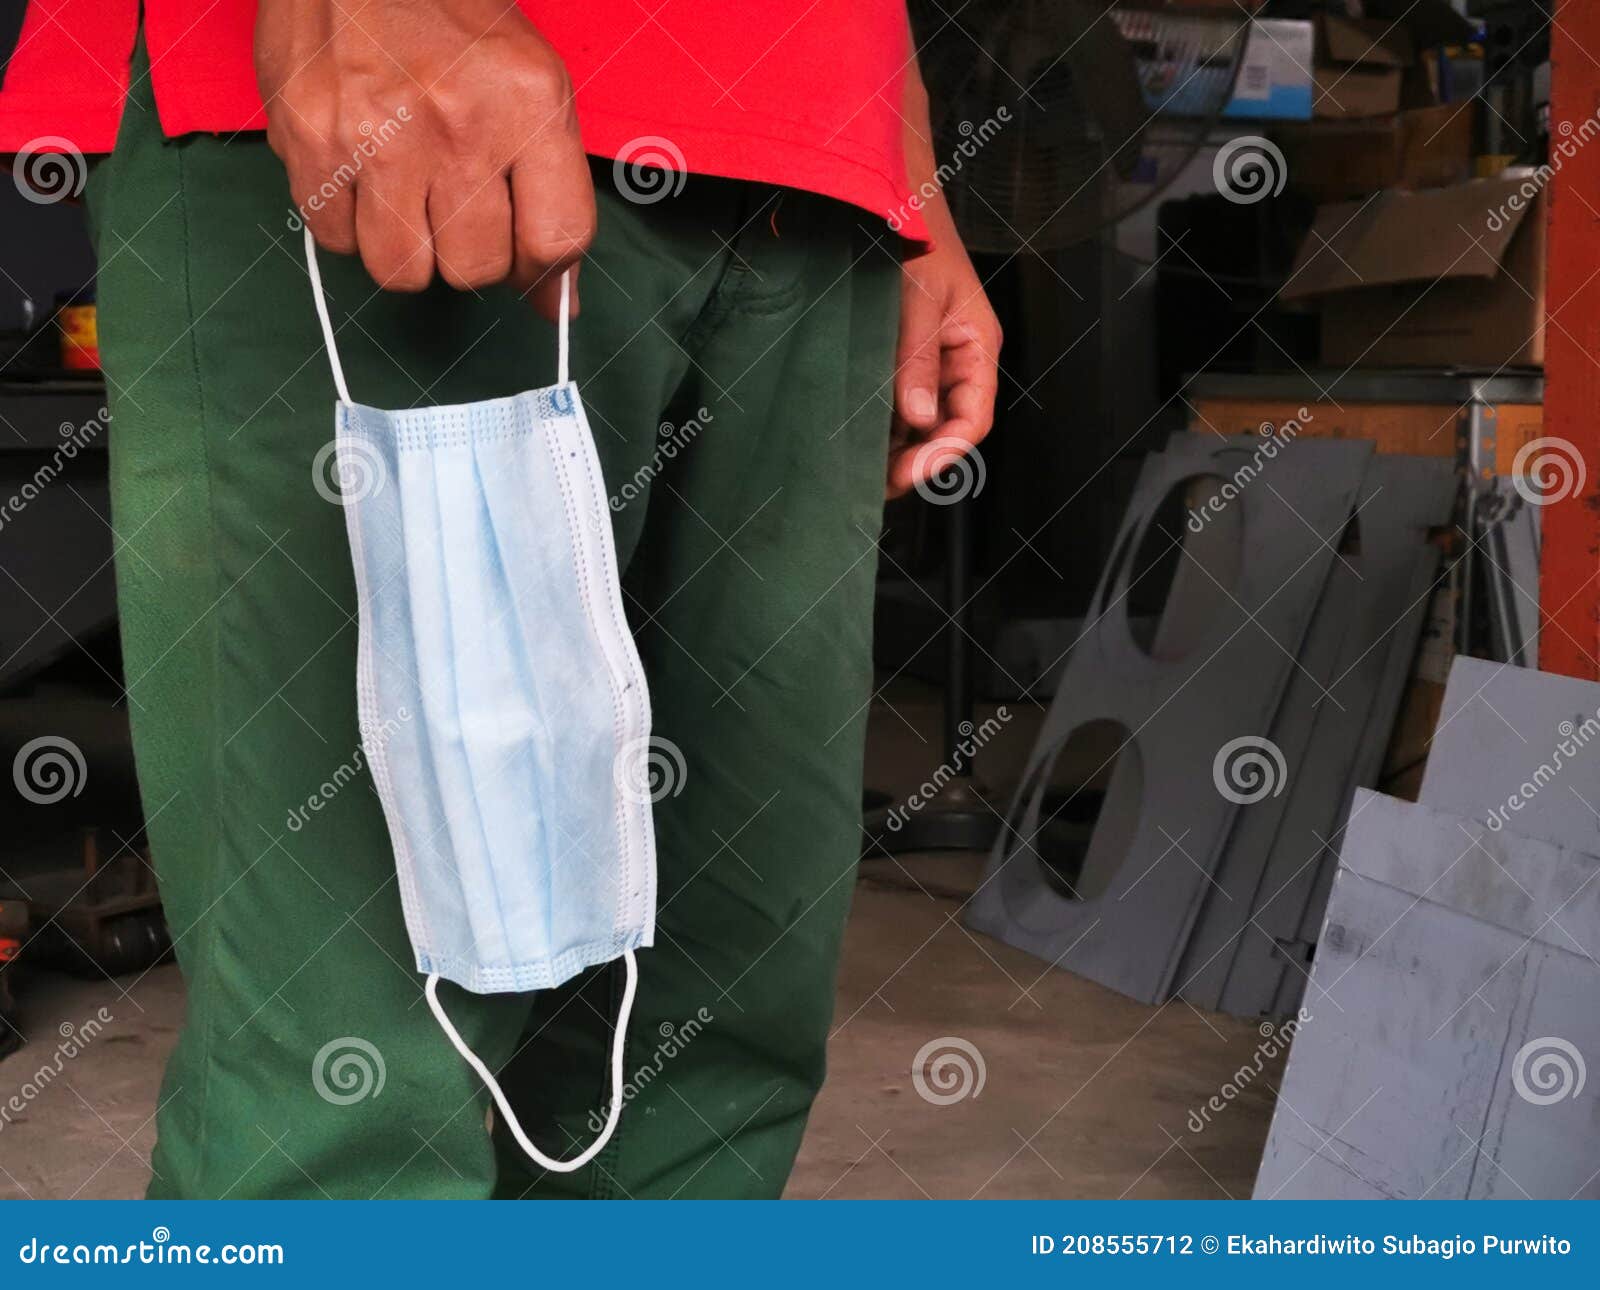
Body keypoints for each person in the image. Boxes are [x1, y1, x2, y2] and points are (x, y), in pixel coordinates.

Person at [0, 0, 1000, 1198]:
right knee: (352, 1079)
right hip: (421, 114)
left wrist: (907, 176)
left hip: (812, 155)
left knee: (716, 1025)